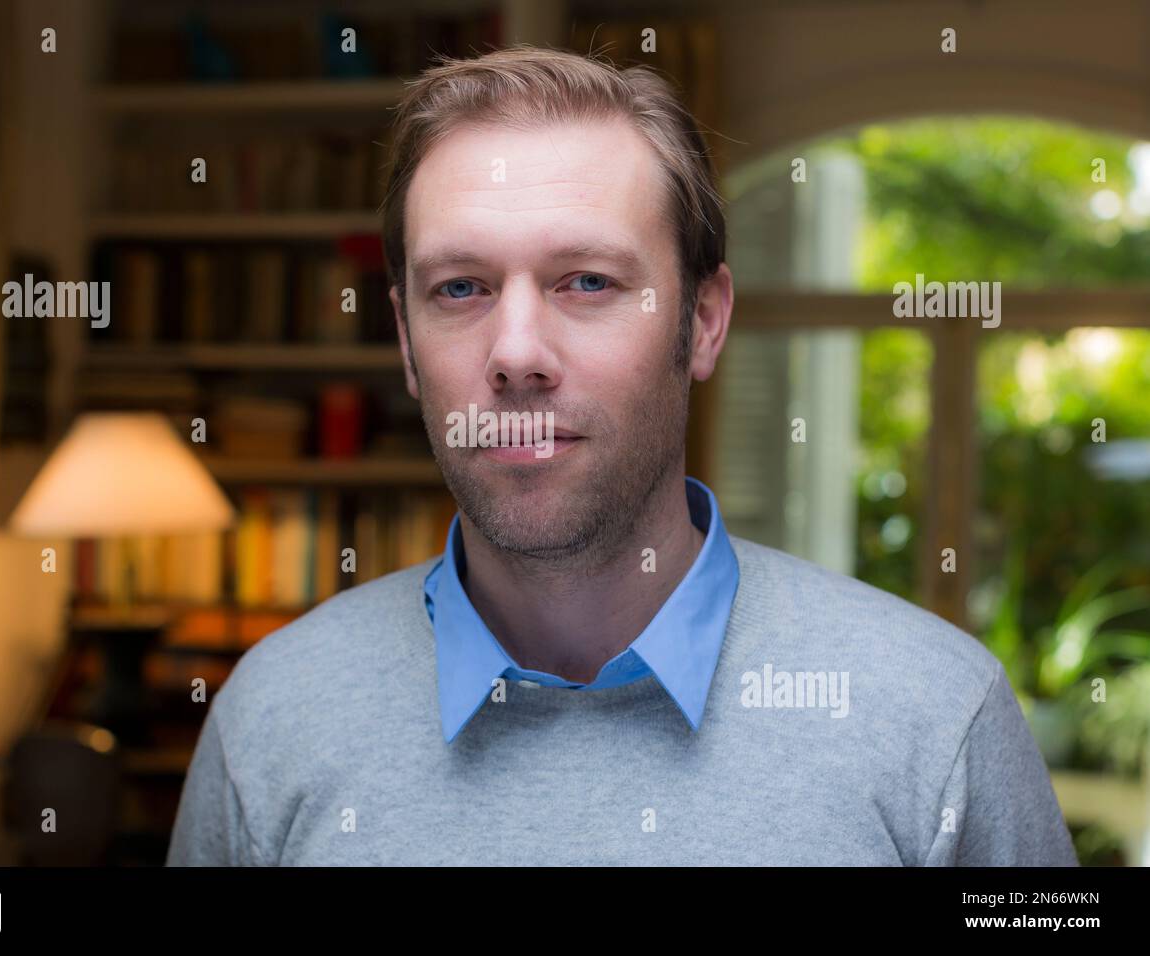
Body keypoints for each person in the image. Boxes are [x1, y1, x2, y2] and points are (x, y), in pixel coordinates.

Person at [167, 45, 1077, 866]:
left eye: (588, 282)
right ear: (406, 340)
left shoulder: (936, 719)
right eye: (461, 287)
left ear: (704, 322)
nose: (516, 352)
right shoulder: (271, 720)